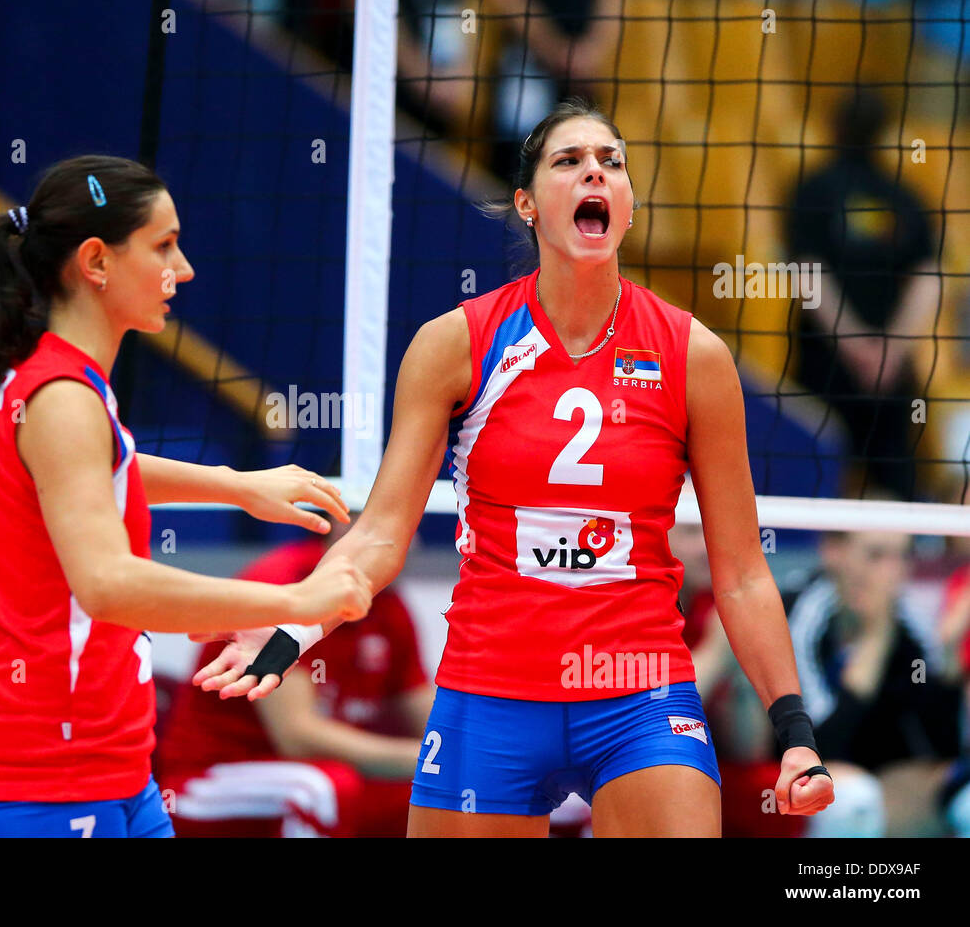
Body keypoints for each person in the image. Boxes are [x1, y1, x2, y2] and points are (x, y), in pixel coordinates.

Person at [196, 97, 837, 837]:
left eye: (612, 162)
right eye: (569, 161)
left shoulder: (694, 356)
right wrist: (290, 627)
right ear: (529, 205)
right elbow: (378, 537)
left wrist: (795, 734)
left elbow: (744, 572)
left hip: (637, 689)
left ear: (625, 205)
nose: (595, 171)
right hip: (492, 687)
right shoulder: (456, 344)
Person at [0, 155, 372, 838]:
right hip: (50, 787)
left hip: (115, 779)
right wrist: (293, 603)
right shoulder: (59, 399)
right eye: (164, 245)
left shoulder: (50, 385)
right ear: (96, 261)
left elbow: (106, 473)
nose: (186, 268)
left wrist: (237, 489)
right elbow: (109, 585)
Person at [157, 516, 434, 837]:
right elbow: (297, 737)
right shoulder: (281, 585)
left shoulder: (387, 601)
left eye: (409, 522)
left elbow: (423, 711)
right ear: (339, 522)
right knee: (320, 789)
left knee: (436, 795)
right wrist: (423, 760)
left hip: (327, 771)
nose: (407, 541)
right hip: (215, 774)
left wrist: (466, 759)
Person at [785, 85, 940, 500]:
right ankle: (908, 558)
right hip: (888, 373)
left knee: (816, 482)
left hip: (828, 366)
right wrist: (889, 349)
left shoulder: (812, 191)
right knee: (897, 481)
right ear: (885, 130)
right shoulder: (906, 198)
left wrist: (855, 345)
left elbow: (807, 273)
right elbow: (928, 278)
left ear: (834, 127)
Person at [789, 529, 965, 835]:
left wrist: (948, 656)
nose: (892, 571)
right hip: (792, 771)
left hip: (880, 774)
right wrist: (875, 641)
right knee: (854, 800)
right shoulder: (799, 614)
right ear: (833, 552)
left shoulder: (912, 626)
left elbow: (940, 745)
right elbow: (818, 747)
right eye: (876, 555)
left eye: (902, 556)